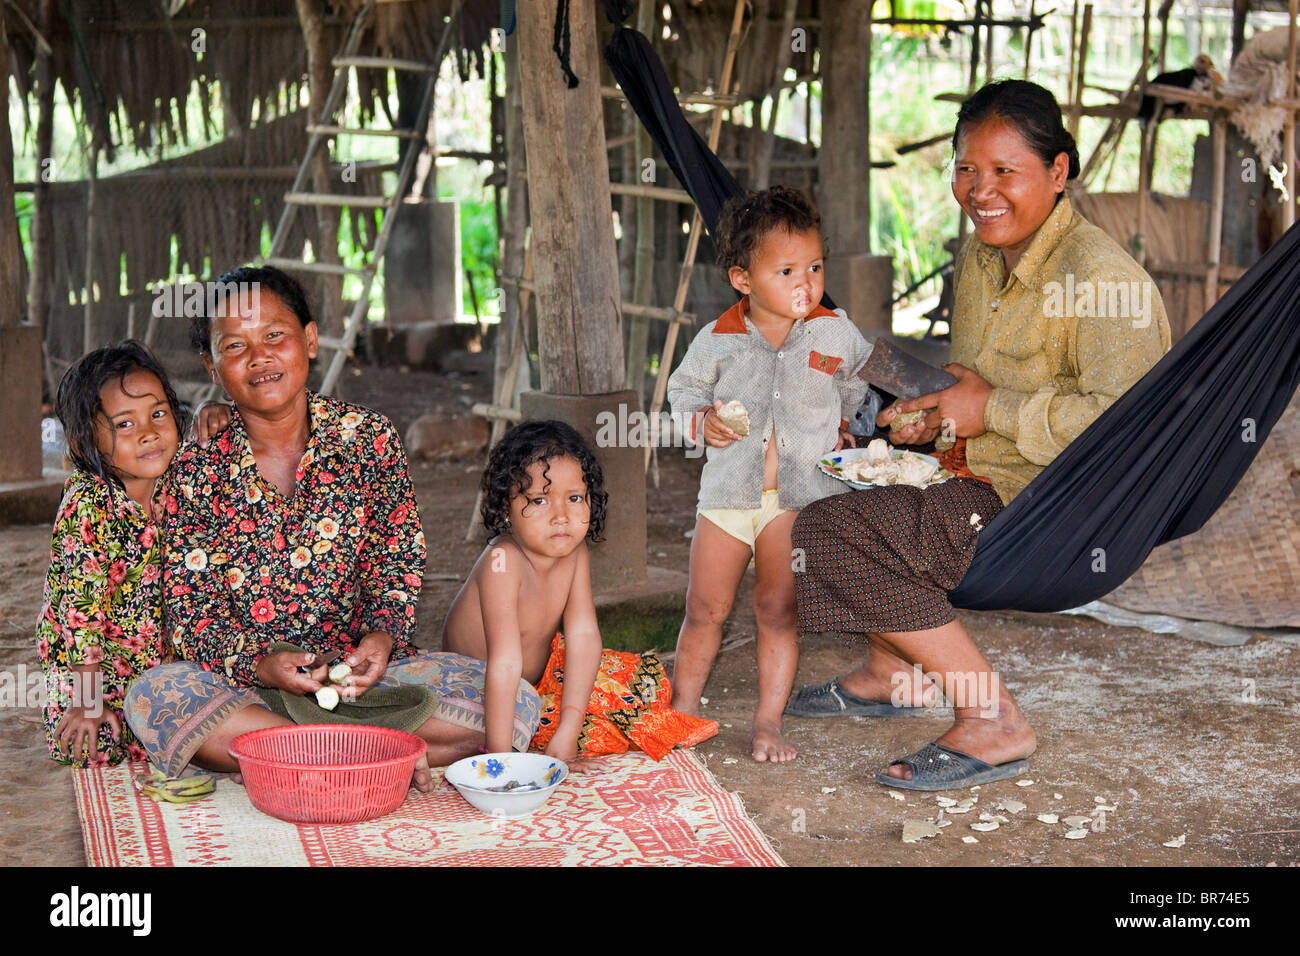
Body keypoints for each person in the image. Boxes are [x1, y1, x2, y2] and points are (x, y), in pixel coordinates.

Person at [785, 80, 1172, 790]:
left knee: (825, 533)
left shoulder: (1102, 282)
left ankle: (994, 720)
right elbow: (973, 382)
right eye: (966, 168)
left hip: (1045, 505)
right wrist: (933, 411)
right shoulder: (981, 255)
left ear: (1058, 173)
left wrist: (989, 410)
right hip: (973, 472)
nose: (978, 190)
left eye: (1004, 172)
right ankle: (891, 671)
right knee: (832, 479)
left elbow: (1134, 435)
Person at [123, 266, 541, 784]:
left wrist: (380, 640)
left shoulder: (369, 438)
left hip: (366, 685)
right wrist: (260, 663)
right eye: (235, 347)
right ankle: (376, 752)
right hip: (247, 685)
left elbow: (396, 565)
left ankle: (296, 755)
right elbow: (191, 609)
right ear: (212, 366)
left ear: (310, 339)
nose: (259, 358)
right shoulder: (193, 467)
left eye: (275, 335)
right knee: (153, 697)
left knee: (516, 702)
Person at [666, 185, 872, 762]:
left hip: (797, 501)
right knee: (705, 608)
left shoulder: (835, 332)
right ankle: (681, 712)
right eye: (785, 270)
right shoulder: (719, 339)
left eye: (813, 266)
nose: (805, 281)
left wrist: (849, 426)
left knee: (777, 612)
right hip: (729, 499)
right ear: (743, 280)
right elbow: (682, 393)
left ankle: (767, 723)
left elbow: (858, 384)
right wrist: (700, 421)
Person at [443, 421, 716, 763]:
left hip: (540, 676)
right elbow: (504, 662)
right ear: (504, 509)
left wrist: (569, 730)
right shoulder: (503, 560)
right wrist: (502, 760)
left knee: (640, 684)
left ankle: (540, 730)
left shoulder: (575, 553)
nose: (561, 516)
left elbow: (584, 635)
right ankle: (481, 746)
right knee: (523, 721)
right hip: (480, 687)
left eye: (574, 498)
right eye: (539, 500)